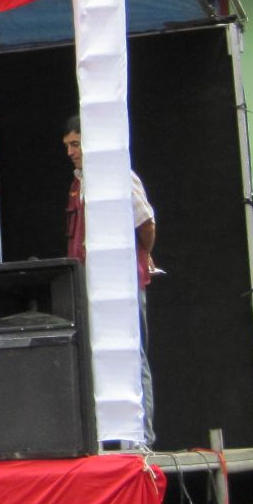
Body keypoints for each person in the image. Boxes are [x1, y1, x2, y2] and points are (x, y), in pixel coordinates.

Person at [63, 114, 158, 440]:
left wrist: (140, 256)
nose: (71, 152)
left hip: (121, 285)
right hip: (90, 287)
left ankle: (142, 439)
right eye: (68, 146)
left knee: (132, 356)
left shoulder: (118, 174)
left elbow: (146, 223)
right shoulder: (78, 185)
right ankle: (104, 437)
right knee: (95, 358)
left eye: (76, 144)